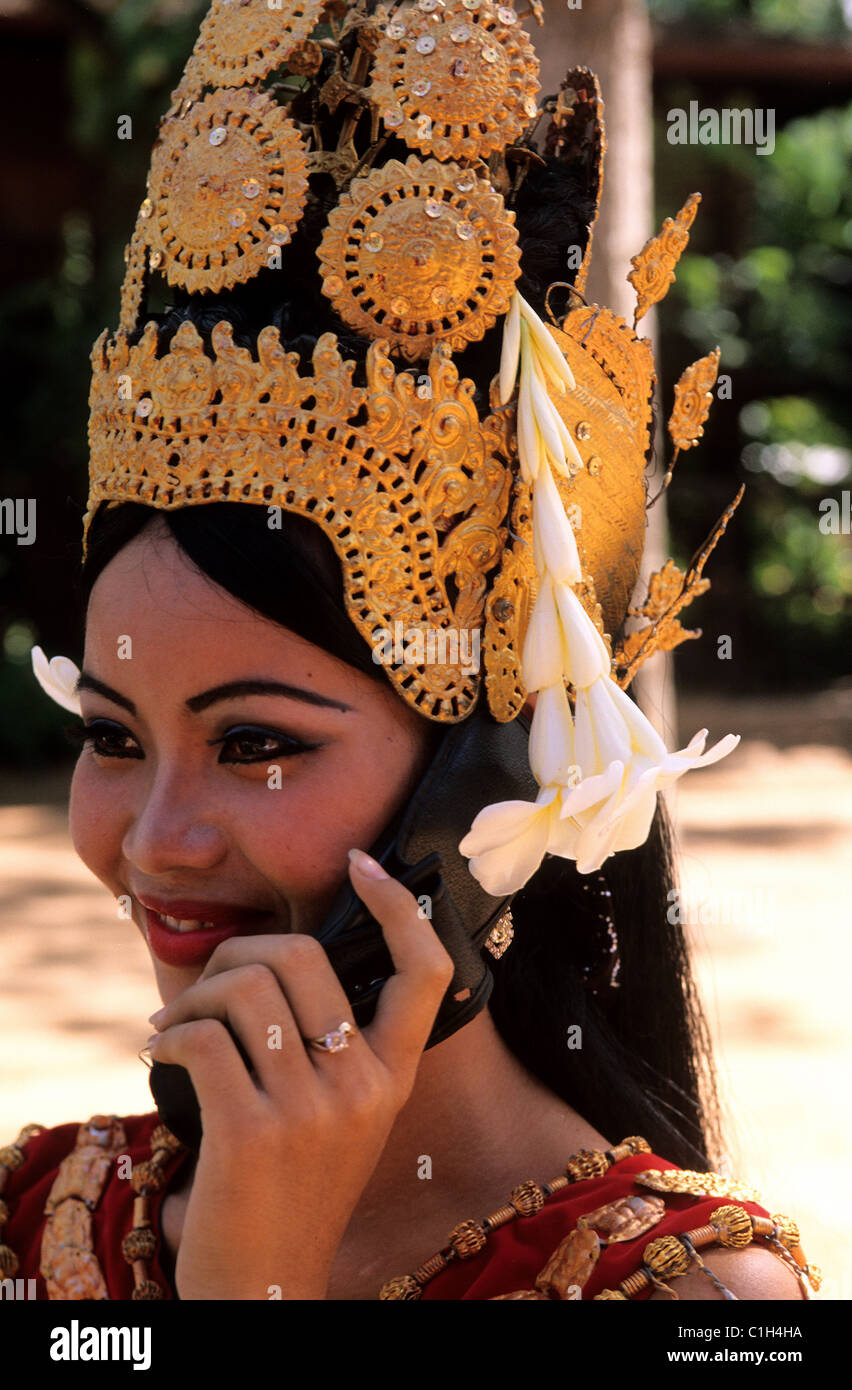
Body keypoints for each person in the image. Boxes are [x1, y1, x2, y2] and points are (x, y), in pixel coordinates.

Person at [0, 0, 821, 1302]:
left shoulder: (694, 1297)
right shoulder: (40, 1217)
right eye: (111, 735)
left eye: (256, 743)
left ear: (494, 772)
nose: (151, 841)